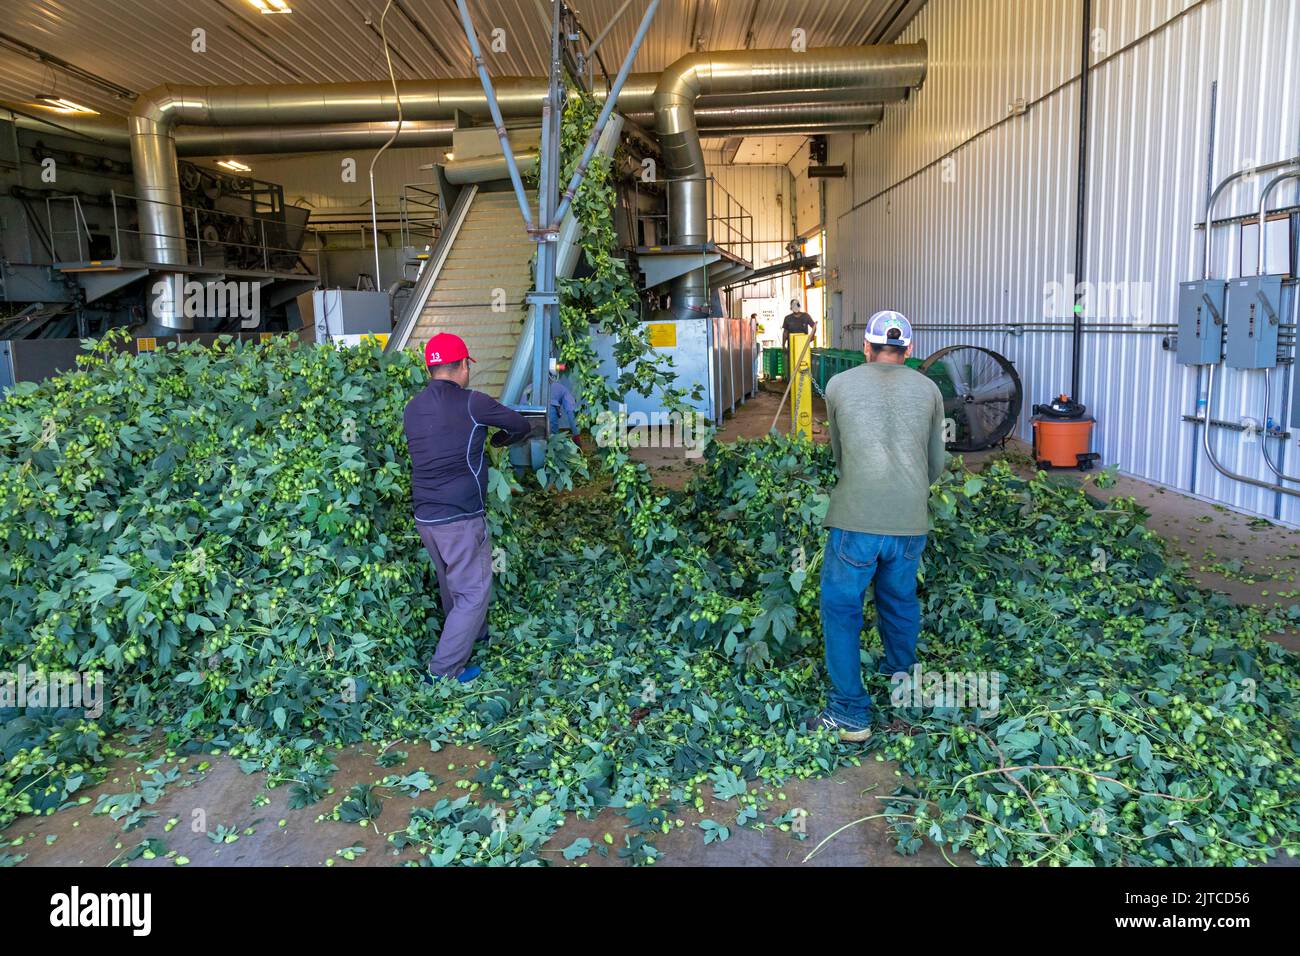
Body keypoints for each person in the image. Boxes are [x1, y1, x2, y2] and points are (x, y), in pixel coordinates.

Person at [806, 310, 947, 741]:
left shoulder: (837, 385)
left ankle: (849, 713)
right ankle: (900, 682)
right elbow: (935, 464)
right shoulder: (930, 390)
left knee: (842, 608)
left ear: (864, 348)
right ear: (910, 350)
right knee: (900, 600)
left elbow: (840, 454)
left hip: (857, 519)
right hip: (909, 520)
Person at [403, 332, 531, 683]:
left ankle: (473, 635)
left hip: (425, 516)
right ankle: (443, 670)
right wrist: (499, 439)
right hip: (459, 515)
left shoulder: (412, 407)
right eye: (466, 366)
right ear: (461, 366)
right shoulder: (473, 403)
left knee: (451, 582)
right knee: (474, 591)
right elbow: (520, 425)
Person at [548, 375, 580, 441]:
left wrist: (559, 412)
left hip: (546, 399)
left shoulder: (559, 387)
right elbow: (571, 416)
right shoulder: (569, 396)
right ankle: (576, 439)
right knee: (554, 435)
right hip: (551, 402)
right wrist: (576, 434)